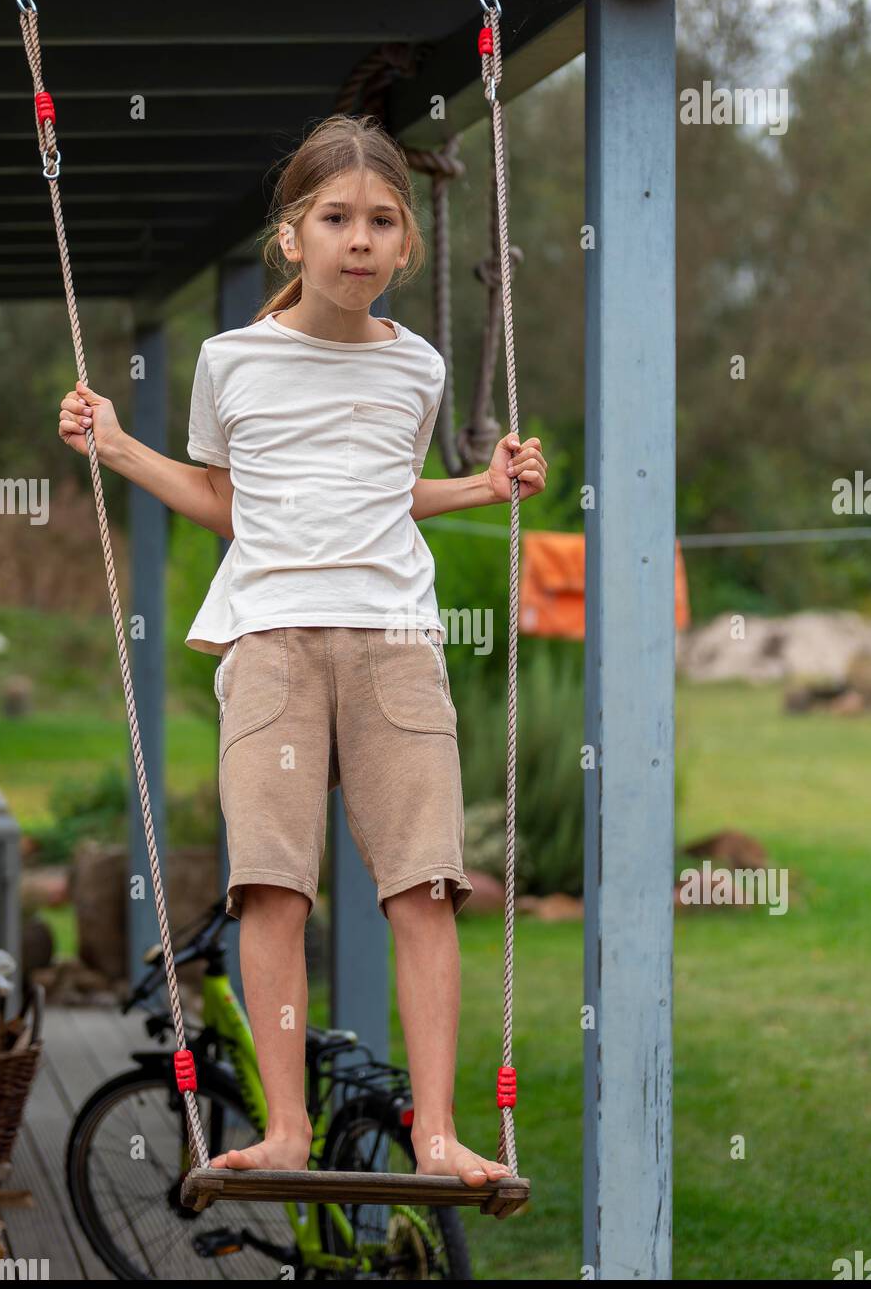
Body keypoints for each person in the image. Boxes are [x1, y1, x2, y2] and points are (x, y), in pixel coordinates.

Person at [58, 113, 547, 1189]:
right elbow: (231, 503)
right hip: (271, 643)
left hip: (395, 646)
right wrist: (120, 444)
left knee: (424, 888)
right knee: (272, 889)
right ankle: (286, 1129)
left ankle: (435, 1132)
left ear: (406, 245)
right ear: (292, 236)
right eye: (335, 218)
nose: (358, 239)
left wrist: (481, 484)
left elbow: (380, 492)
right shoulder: (231, 363)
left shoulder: (416, 370)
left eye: (381, 221)